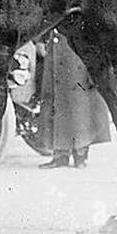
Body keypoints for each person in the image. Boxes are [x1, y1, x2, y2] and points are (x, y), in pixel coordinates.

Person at [37, 29, 110, 168]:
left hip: (79, 47)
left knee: (79, 102)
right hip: (56, 47)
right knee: (56, 100)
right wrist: (40, 39)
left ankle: (80, 153)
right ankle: (60, 154)